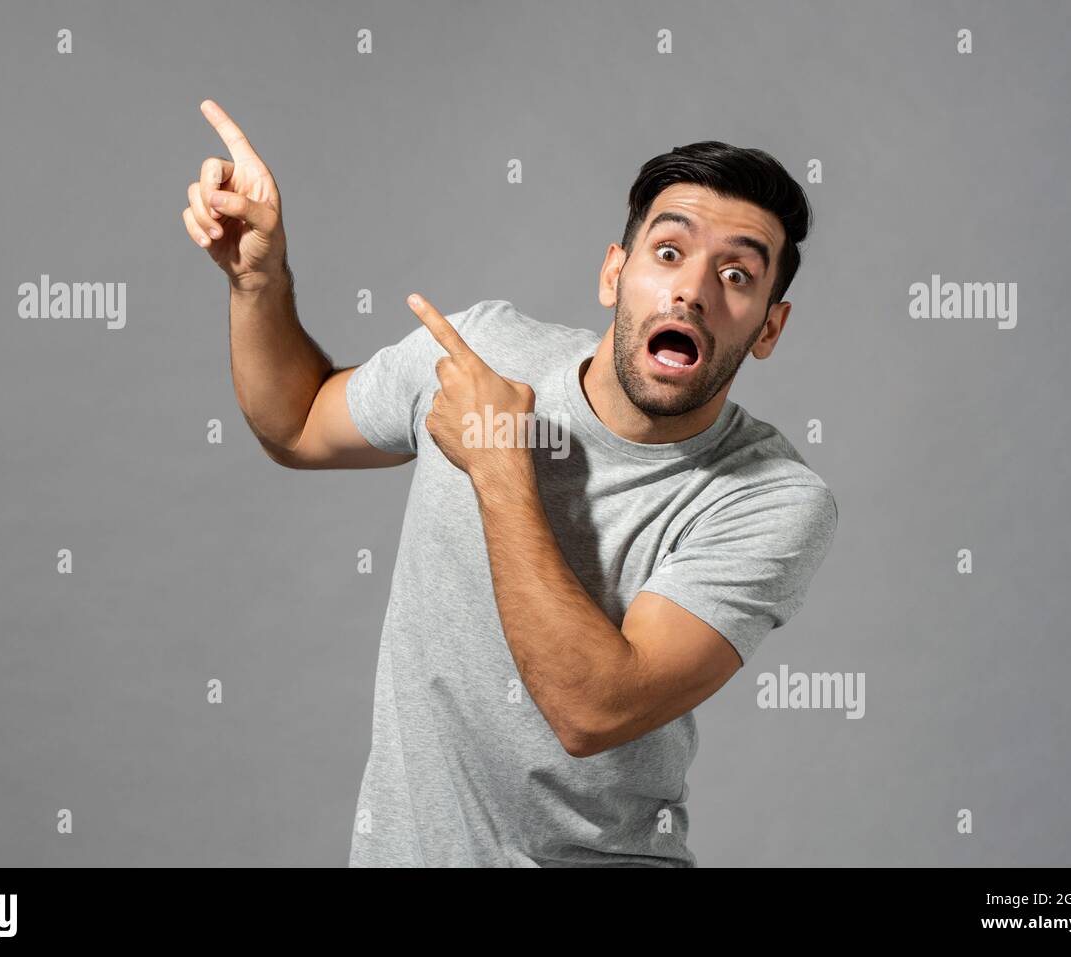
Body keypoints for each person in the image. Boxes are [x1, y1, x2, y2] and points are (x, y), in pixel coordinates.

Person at [181, 99, 839, 867]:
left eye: (737, 273)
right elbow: (294, 423)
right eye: (668, 253)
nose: (692, 290)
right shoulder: (483, 352)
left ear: (767, 327)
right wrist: (258, 278)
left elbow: (593, 708)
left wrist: (498, 459)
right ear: (613, 273)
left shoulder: (770, 498)